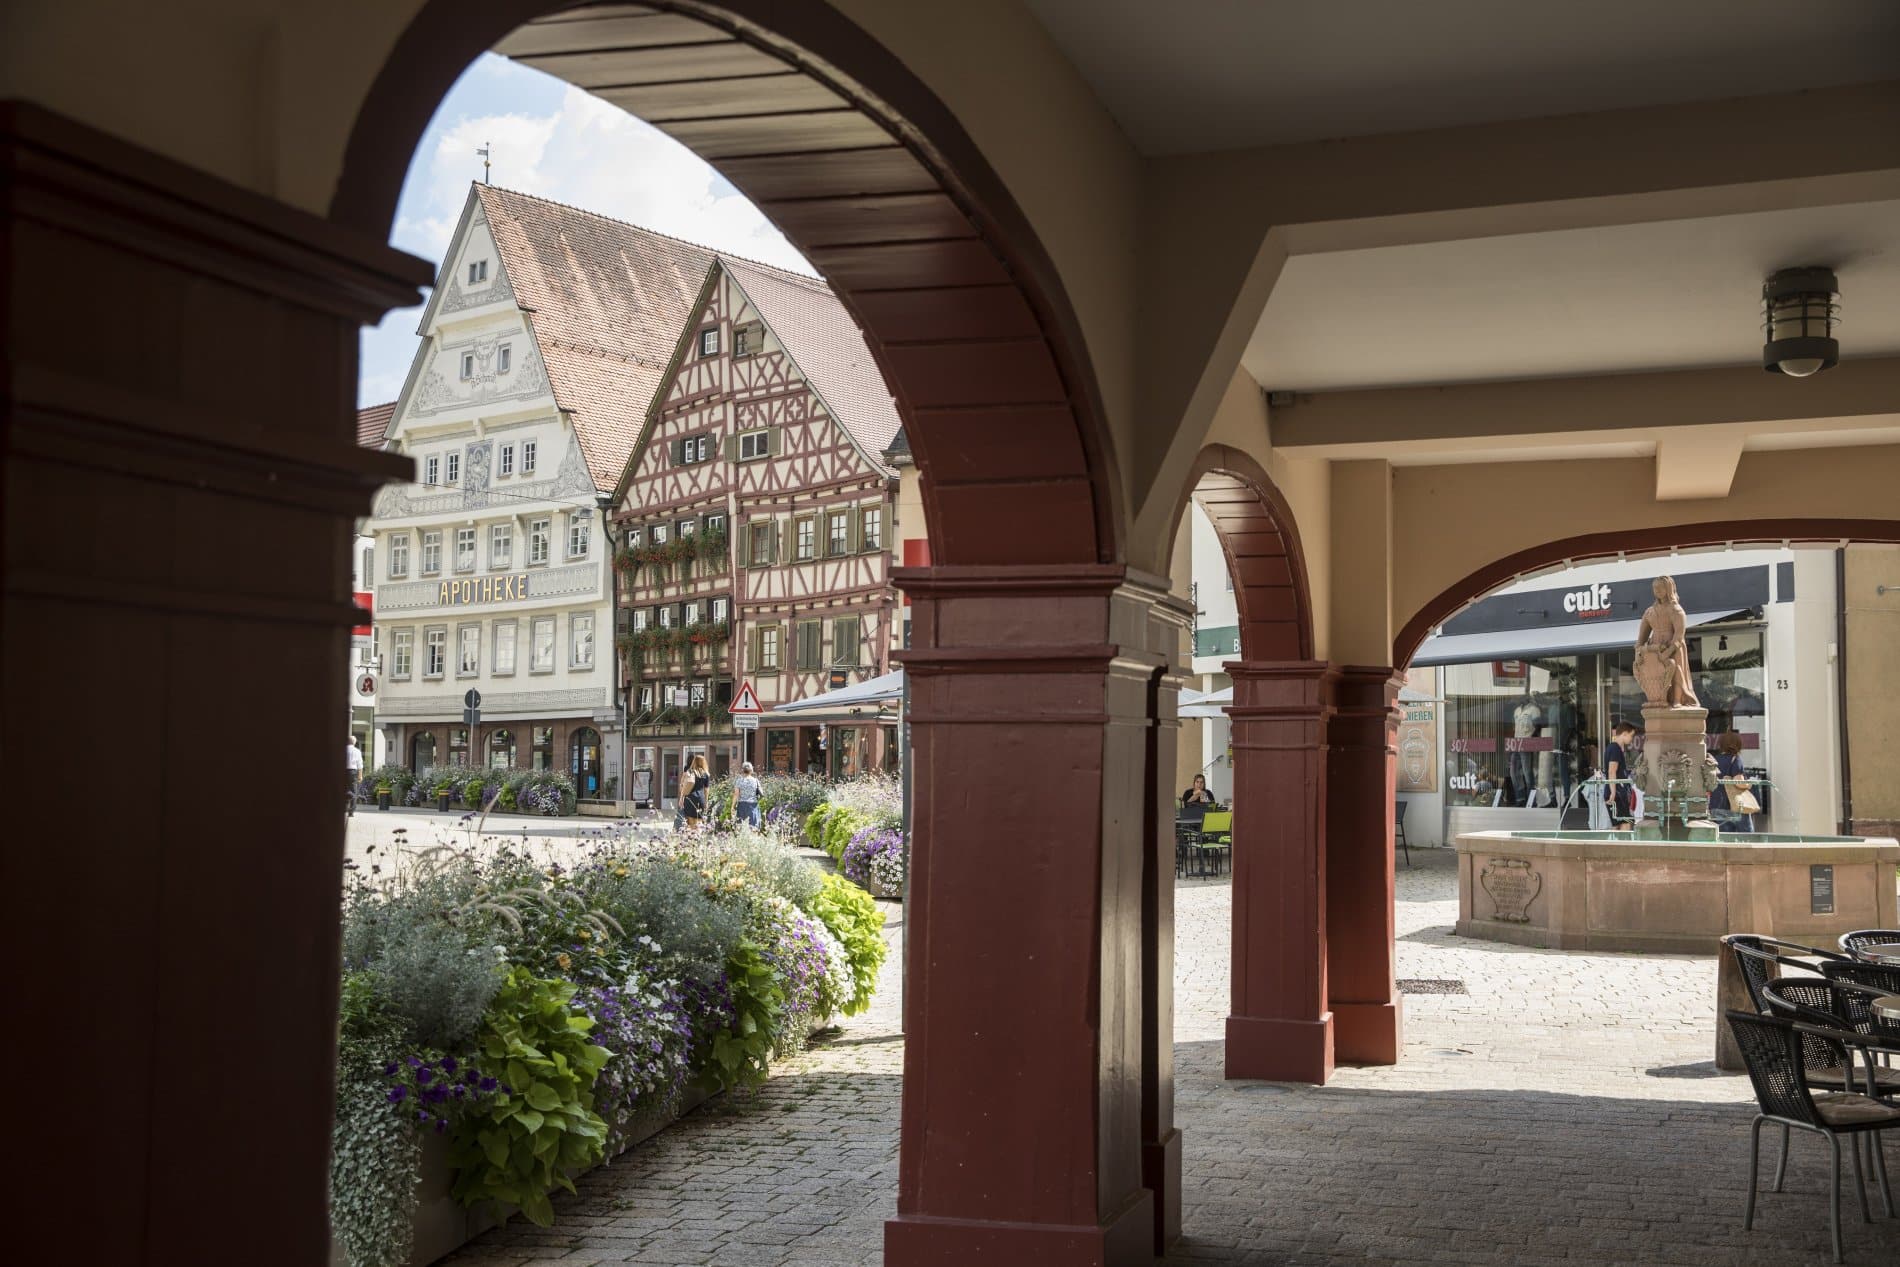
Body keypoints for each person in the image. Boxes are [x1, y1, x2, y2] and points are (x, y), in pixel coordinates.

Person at [1709, 730, 1755, 832]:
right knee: (1747, 838)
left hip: (1716, 806)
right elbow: (1739, 782)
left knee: (1723, 839)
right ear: (1738, 744)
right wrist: (1749, 784)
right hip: (1735, 807)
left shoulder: (1714, 760)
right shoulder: (1735, 759)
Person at [1604, 720, 1639, 828]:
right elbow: (1612, 771)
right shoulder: (1615, 749)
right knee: (1625, 822)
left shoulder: (1613, 748)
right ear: (1624, 734)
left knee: (1617, 824)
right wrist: (1613, 792)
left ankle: (1614, 844)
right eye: (1631, 735)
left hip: (1615, 790)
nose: (1631, 739)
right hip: (1616, 791)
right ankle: (1624, 844)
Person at [679, 753, 711, 833]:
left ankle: (691, 841)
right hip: (701, 799)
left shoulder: (690, 771)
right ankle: (698, 840)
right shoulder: (706, 774)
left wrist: (681, 797)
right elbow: (706, 790)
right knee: (699, 823)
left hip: (690, 799)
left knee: (690, 823)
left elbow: (683, 785)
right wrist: (706, 802)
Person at [734, 761, 763, 830]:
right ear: (751, 770)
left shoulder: (739, 781)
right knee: (753, 827)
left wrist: (733, 806)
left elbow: (736, 794)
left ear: (742, 770)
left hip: (742, 805)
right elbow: (762, 793)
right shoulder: (755, 781)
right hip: (753, 805)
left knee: (741, 826)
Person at [344, 735, 364, 817]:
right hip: (353, 772)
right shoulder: (357, 751)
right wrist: (360, 776)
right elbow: (360, 765)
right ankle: (351, 811)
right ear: (354, 742)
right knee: (353, 791)